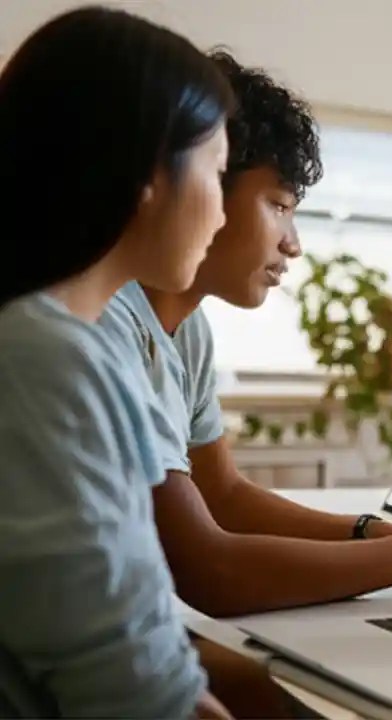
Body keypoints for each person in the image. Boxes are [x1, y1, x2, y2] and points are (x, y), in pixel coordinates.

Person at [94, 48, 392, 636]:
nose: (293, 243)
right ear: (196, 181)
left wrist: (384, 536)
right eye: (279, 206)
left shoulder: (187, 332)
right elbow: (211, 568)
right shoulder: (105, 323)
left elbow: (226, 497)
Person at [0, 8, 234, 718]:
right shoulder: (44, 358)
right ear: (147, 172)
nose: (220, 215)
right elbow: (135, 697)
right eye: (217, 172)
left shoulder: (52, 338)